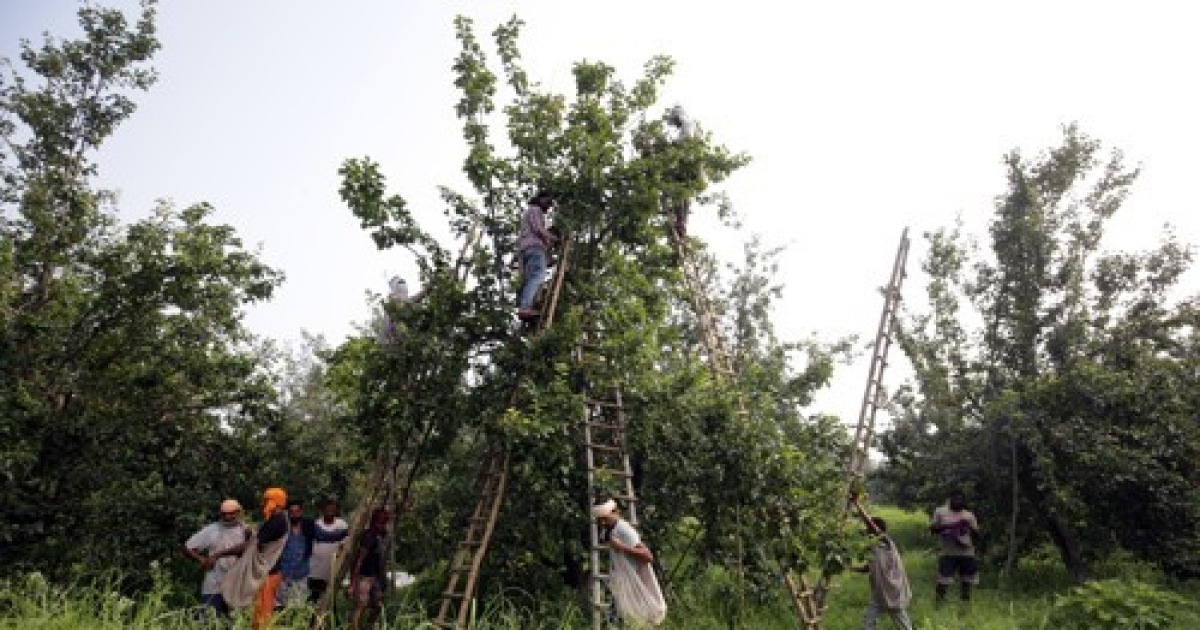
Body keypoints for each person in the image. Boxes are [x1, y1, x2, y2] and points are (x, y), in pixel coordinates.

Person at [220, 487, 291, 630]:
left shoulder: (277, 521)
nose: (263, 503)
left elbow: (252, 544)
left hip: (268, 573)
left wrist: (220, 553)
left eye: (266, 500)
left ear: (274, 502)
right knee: (259, 612)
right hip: (268, 572)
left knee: (263, 616)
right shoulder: (278, 518)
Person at [592, 499, 666, 627]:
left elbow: (648, 556)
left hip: (631, 580)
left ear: (615, 512)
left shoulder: (624, 529)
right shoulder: (611, 528)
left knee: (624, 619)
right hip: (621, 582)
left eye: (605, 518)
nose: (603, 522)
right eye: (601, 520)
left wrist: (622, 547)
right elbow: (604, 538)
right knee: (618, 618)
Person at [182, 499, 251, 620]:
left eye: (231, 513)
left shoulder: (247, 531)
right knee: (208, 622)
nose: (227, 516)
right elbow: (187, 547)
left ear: (238, 512)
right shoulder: (212, 529)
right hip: (214, 585)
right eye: (224, 514)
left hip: (237, 585)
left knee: (236, 623)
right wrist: (201, 559)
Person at [852, 517, 914, 630]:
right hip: (879, 592)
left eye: (868, 529)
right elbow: (868, 568)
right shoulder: (872, 547)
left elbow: (871, 525)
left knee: (903, 625)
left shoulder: (886, 542)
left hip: (892, 591)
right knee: (867, 624)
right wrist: (850, 567)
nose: (866, 531)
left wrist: (857, 504)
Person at [930, 491, 981, 604]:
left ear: (964, 501)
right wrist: (953, 526)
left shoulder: (968, 515)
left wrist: (969, 527)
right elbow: (933, 529)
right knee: (943, 580)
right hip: (948, 552)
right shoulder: (940, 511)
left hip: (967, 552)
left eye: (961, 499)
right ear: (950, 499)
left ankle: (965, 605)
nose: (958, 501)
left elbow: (977, 535)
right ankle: (939, 604)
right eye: (955, 499)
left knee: (966, 580)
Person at [515, 190, 556, 320]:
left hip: (527, 250)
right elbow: (538, 228)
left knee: (530, 280)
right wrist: (552, 238)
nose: (548, 206)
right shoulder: (535, 210)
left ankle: (526, 306)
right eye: (548, 202)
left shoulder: (529, 212)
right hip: (534, 248)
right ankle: (525, 308)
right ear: (541, 199)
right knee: (537, 277)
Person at [348, 508, 390, 629]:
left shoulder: (380, 536)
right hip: (364, 577)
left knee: (377, 605)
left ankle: (369, 626)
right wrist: (352, 583)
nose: (382, 525)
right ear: (375, 522)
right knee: (361, 606)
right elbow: (359, 560)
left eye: (384, 523)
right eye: (380, 522)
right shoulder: (369, 536)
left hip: (375, 577)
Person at [665, 105, 699, 238]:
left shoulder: (688, 123)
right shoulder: (689, 125)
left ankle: (681, 221)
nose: (675, 125)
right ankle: (682, 223)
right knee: (684, 195)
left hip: (687, 164)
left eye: (675, 121)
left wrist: (673, 144)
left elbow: (687, 139)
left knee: (678, 191)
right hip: (690, 164)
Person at [276, 500, 317, 608]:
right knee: (282, 606)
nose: (294, 514)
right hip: (284, 574)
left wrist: (345, 536)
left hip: (301, 573)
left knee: (298, 606)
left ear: (301, 512)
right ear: (288, 513)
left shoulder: (308, 526)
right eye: (292, 512)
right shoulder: (282, 527)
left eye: (297, 511)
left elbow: (324, 535)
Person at [308, 499, 349, 604]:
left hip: (332, 570)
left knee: (330, 600)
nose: (330, 512)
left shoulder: (342, 524)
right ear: (323, 510)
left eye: (332, 510)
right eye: (327, 509)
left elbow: (344, 545)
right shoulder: (316, 524)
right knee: (314, 598)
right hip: (315, 570)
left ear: (336, 511)